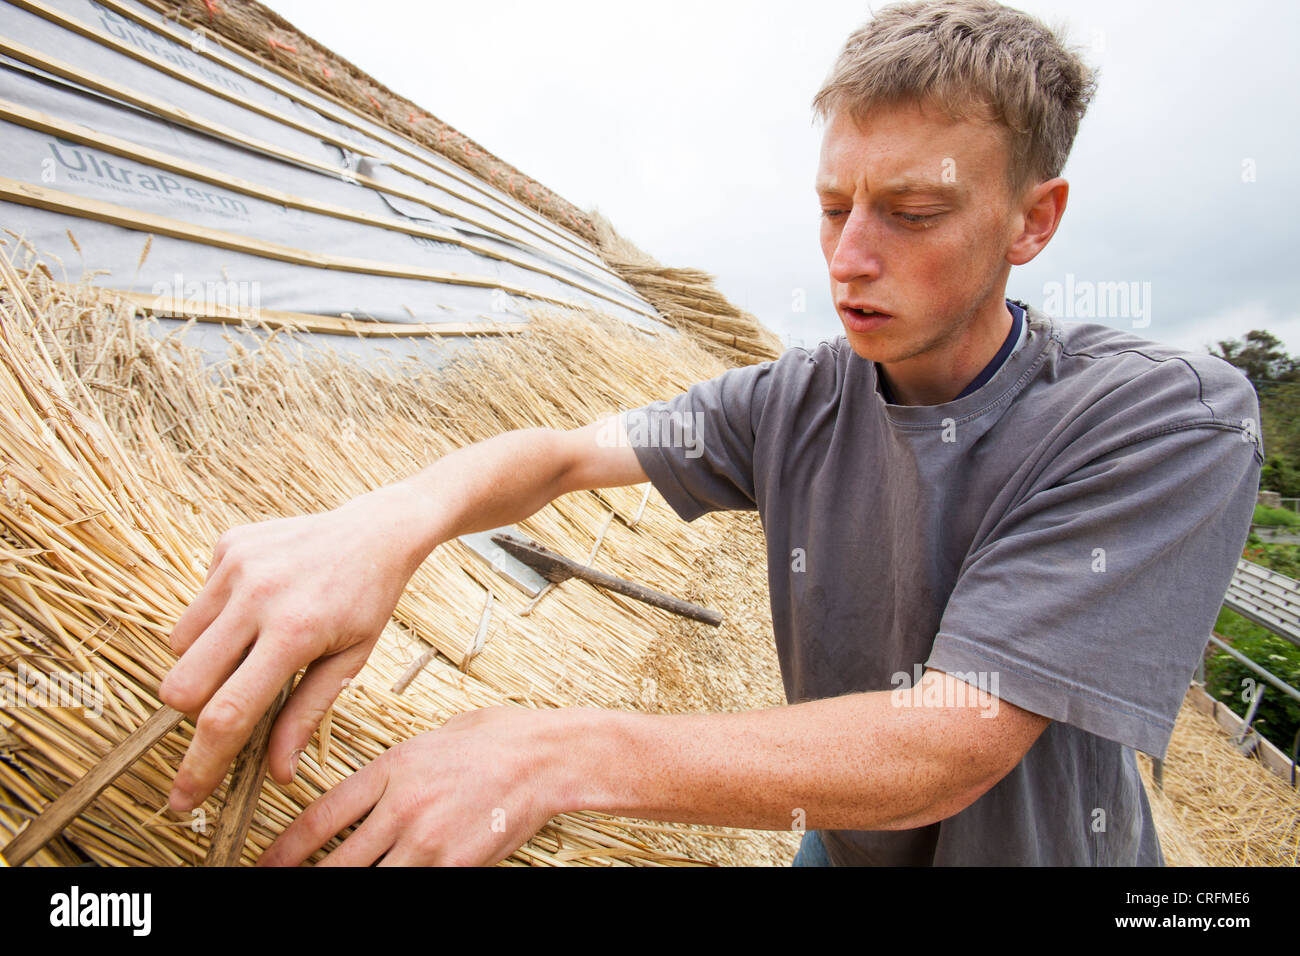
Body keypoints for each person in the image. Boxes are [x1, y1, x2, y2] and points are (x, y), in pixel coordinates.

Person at [158, 0, 1262, 866]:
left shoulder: (1158, 415)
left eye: (913, 215)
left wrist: (554, 749)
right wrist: (389, 520)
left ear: (1034, 219)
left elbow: (950, 741)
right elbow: (558, 453)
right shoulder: (796, 398)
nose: (848, 257)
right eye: (835, 206)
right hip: (836, 841)